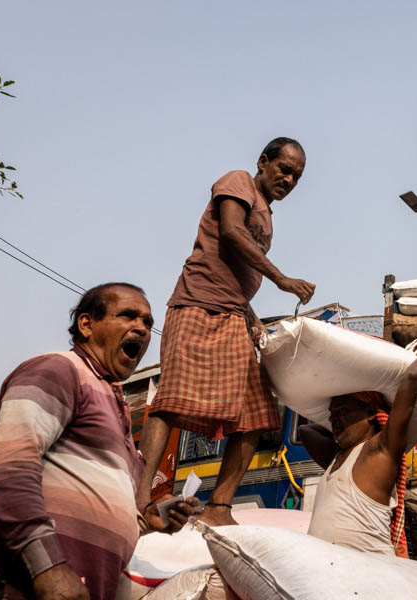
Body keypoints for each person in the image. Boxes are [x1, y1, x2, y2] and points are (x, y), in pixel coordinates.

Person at [0, 283, 198, 600]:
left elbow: (92, 505)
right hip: (18, 586)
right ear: (86, 324)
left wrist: (146, 518)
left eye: (148, 323)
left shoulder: (115, 406)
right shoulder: (58, 370)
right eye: (128, 316)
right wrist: (48, 567)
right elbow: (9, 469)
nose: (142, 328)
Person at [135, 138, 316, 526]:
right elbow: (232, 232)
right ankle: (139, 498)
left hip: (233, 314)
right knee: (170, 402)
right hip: (196, 305)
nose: (289, 180)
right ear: (262, 162)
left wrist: (252, 319)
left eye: (297, 176)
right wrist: (281, 279)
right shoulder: (238, 181)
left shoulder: (267, 214)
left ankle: (219, 507)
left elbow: (234, 275)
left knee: (256, 414)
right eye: (284, 169)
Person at [300, 344, 417, 557]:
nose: (333, 419)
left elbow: (412, 379)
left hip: (369, 568)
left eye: (342, 411)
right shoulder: (336, 458)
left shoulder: (380, 450)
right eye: (331, 414)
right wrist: (340, 421)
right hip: (332, 569)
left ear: (371, 412)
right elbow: (305, 431)